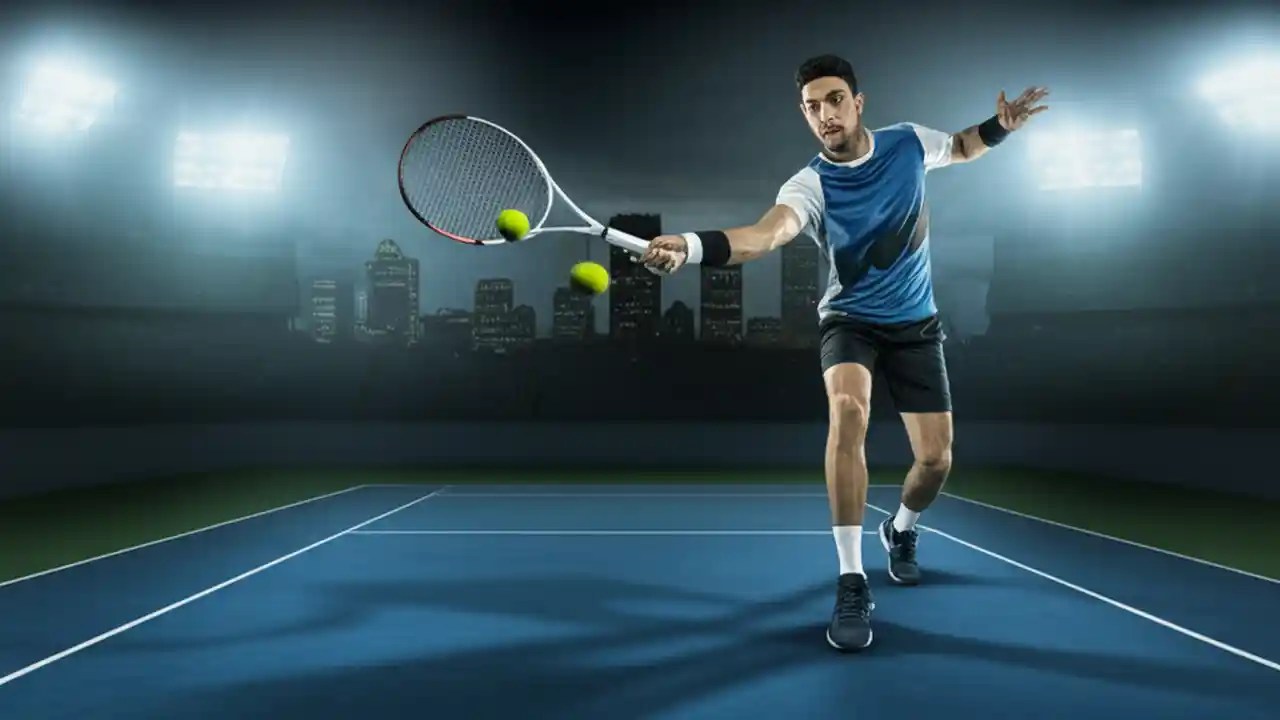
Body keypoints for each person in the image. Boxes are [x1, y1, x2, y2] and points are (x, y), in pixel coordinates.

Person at [637, 54, 1048, 652]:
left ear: (859, 102)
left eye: (834, 100)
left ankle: (900, 531)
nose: (824, 115)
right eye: (811, 107)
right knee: (848, 413)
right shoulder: (807, 184)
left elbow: (960, 147)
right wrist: (695, 246)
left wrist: (999, 128)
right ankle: (852, 578)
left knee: (936, 463)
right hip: (850, 320)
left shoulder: (907, 144)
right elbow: (765, 235)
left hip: (915, 326)